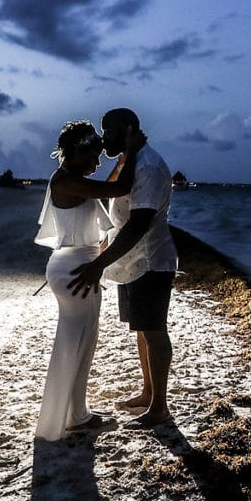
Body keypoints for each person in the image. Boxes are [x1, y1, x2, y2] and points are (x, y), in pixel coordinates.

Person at [34, 120, 143, 442]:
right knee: (76, 344)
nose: (97, 164)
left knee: (81, 343)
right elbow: (118, 189)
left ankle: (73, 413)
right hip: (75, 269)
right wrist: (133, 153)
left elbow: (103, 187)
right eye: (94, 157)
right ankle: (75, 416)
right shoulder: (67, 181)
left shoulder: (72, 179)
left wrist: (121, 163)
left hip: (77, 265)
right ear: (79, 152)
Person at [69, 108, 178, 429]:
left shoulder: (150, 167)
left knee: (155, 330)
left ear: (128, 129)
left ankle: (160, 407)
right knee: (142, 329)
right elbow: (113, 191)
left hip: (150, 260)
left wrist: (97, 265)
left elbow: (138, 225)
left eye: (109, 132)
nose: (103, 140)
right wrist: (124, 155)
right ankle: (148, 393)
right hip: (130, 261)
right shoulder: (132, 163)